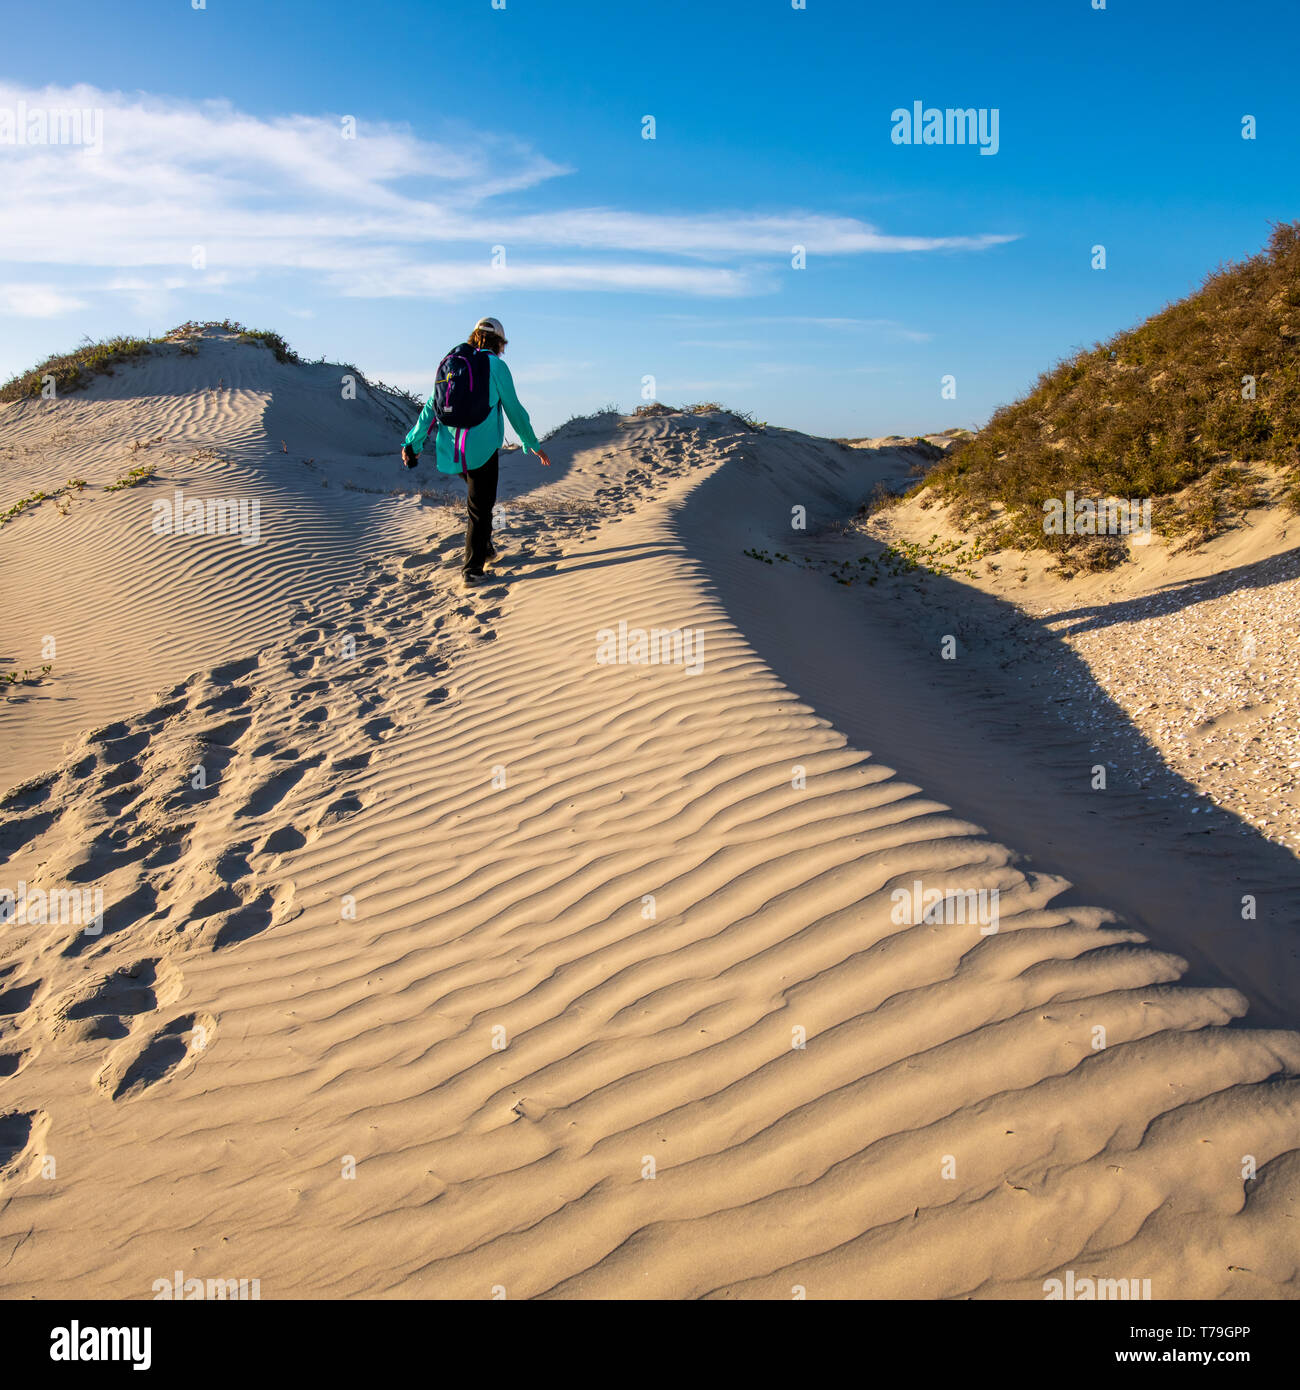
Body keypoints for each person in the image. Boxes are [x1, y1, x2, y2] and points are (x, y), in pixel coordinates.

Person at [401, 317, 550, 585]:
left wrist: (412, 443)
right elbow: (514, 409)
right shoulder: (496, 366)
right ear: (500, 343)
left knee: (479, 504)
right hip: (480, 450)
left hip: (451, 451)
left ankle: (485, 547)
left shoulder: (453, 363)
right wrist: (532, 444)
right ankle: (472, 570)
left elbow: (430, 407)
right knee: (480, 509)